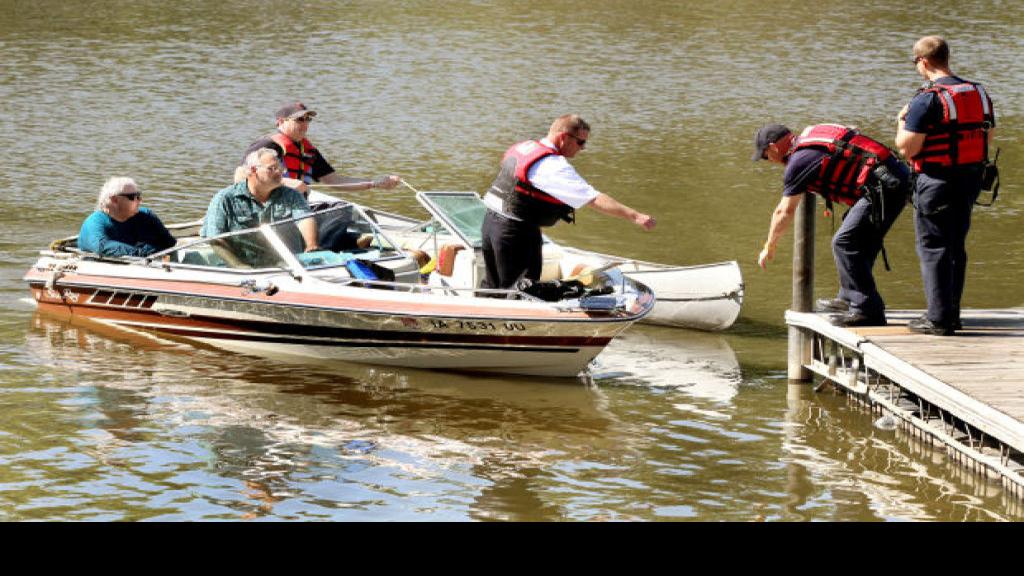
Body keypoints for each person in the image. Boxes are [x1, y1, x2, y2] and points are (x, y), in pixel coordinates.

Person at [754, 123, 911, 327]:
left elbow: (783, 211)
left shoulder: (798, 162)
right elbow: (851, 131)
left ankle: (867, 310)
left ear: (773, 147)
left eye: (765, 155)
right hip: (892, 178)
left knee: (845, 242)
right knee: (859, 238)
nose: (768, 160)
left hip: (887, 187)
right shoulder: (810, 136)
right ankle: (848, 298)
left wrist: (769, 246)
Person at [480, 114, 656, 289]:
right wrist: (635, 216)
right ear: (563, 137)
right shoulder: (552, 165)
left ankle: (483, 305)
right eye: (581, 142)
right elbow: (593, 198)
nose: (583, 148)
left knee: (493, 285)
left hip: (491, 223)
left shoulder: (526, 147)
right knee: (521, 290)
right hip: (515, 232)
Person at [895, 35, 996, 336]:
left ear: (923, 62)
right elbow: (987, 138)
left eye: (916, 62)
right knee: (955, 246)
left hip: (936, 181)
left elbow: (907, 148)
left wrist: (901, 120)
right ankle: (951, 314)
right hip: (970, 179)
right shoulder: (978, 93)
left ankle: (938, 319)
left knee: (933, 247)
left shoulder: (926, 99)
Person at [236, 102, 401, 197]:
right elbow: (240, 176)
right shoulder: (267, 145)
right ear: (280, 122)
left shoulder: (308, 151)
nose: (305, 124)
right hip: (266, 205)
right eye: (299, 119)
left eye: (307, 119)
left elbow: (334, 181)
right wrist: (283, 182)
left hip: (297, 206)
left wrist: (374, 183)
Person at [203, 148, 319, 253]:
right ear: (253, 170)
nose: (279, 172)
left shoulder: (292, 195)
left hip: (291, 262)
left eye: (280, 168)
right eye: (272, 168)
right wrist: (240, 266)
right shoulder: (224, 199)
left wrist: (311, 245)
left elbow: (305, 219)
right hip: (245, 265)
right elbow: (215, 240)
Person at [78, 177, 176, 257]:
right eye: (133, 197)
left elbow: (169, 243)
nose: (139, 200)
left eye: (139, 196)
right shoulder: (94, 222)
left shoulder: (146, 216)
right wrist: (141, 253)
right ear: (114, 200)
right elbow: (102, 246)